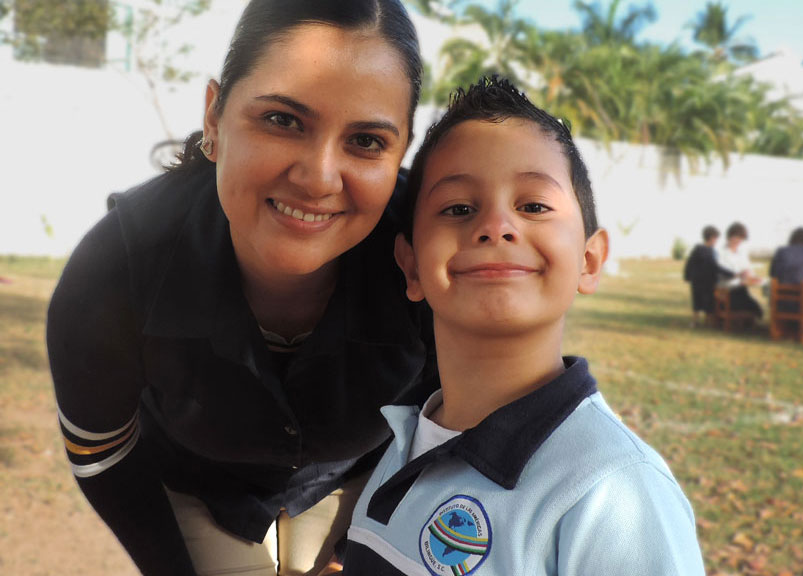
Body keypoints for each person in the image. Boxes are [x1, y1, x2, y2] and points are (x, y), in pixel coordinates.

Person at [46, 2, 435, 575]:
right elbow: (101, 453)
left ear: (401, 153)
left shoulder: (428, 255)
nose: (318, 177)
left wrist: (355, 553)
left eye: (366, 141)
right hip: (191, 486)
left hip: (361, 484)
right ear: (214, 117)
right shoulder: (119, 265)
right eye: (282, 119)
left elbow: (449, 428)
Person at [342, 77, 706, 575]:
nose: (496, 225)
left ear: (589, 260)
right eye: (458, 208)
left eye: (533, 206)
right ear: (411, 267)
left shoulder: (612, 489)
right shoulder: (405, 433)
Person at [684, 225, 732, 326]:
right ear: (712, 238)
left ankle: (695, 321)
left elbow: (689, 264)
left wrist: (687, 276)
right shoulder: (709, 251)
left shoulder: (697, 249)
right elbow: (715, 267)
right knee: (709, 302)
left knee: (697, 302)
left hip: (696, 281)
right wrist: (731, 273)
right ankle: (708, 321)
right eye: (716, 239)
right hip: (707, 281)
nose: (716, 241)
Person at [717, 221, 764, 319]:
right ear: (730, 236)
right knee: (749, 308)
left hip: (742, 290)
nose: (738, 241)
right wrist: (738, 276)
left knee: (759, 311)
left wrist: (753, 277)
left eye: (741, 239)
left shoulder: (742, 252)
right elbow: (721, 273)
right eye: (737, 238)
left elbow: (748, 269)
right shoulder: (720, 252)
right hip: (727, 291)